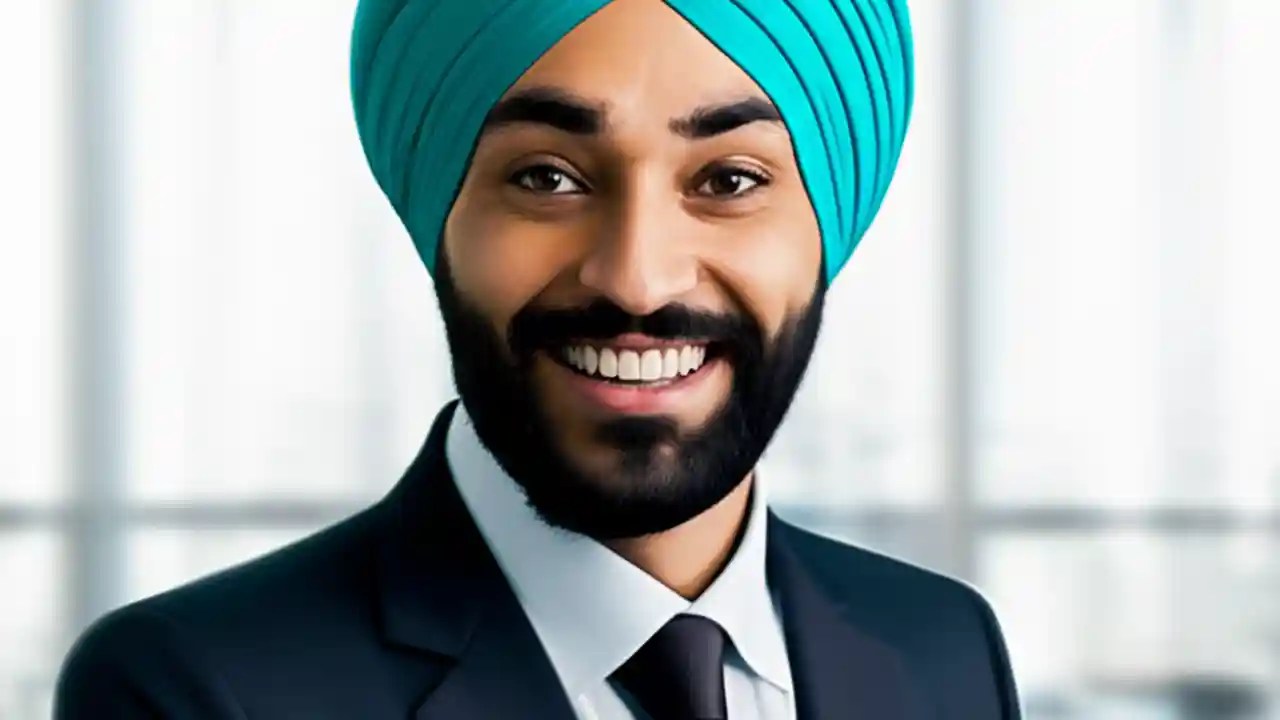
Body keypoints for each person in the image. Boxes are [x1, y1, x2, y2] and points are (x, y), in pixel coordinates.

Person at [55, 0, 1021, 717]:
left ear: (828, 232)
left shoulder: (945, 649)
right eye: (547, 177)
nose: (638, 280)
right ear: (440, 219)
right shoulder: (193, 689)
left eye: (730, 179)